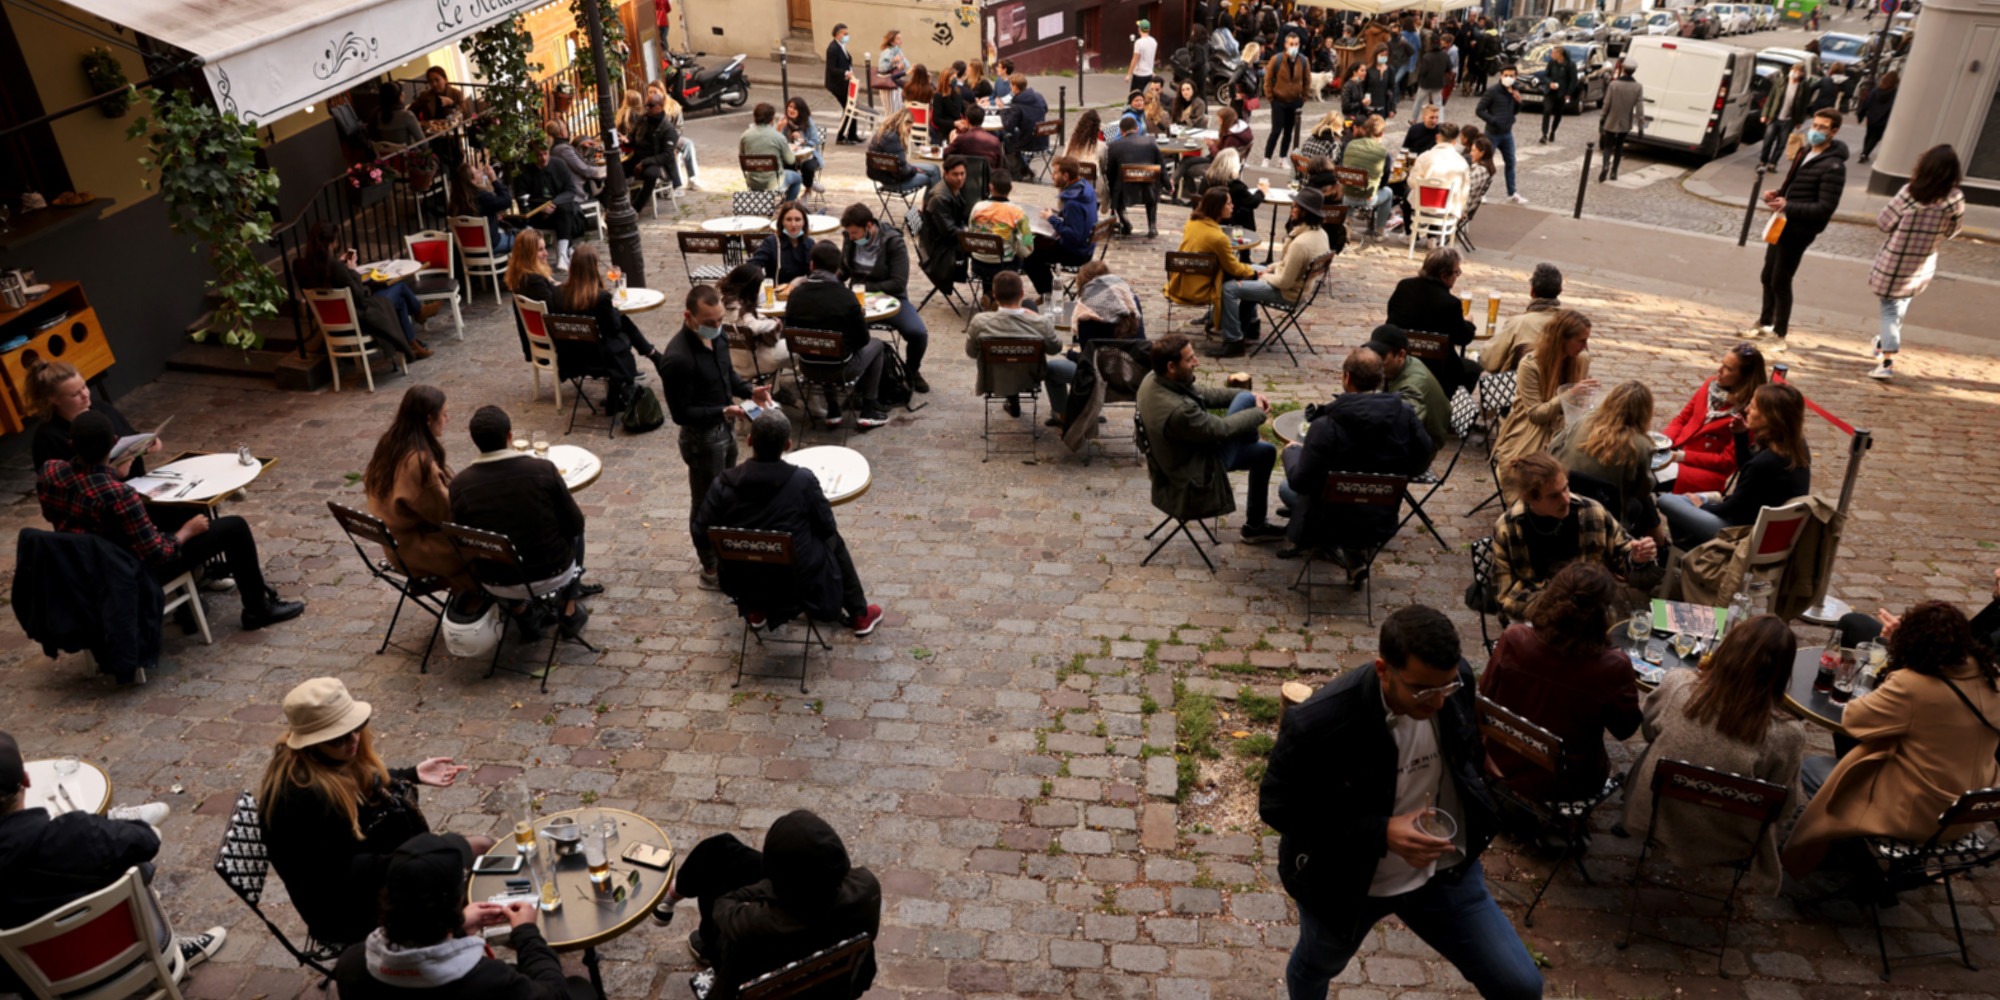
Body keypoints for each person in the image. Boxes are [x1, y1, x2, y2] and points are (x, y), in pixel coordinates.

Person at [1261, 605, 1543, 1000]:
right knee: (1316, 966)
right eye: (1422, 690)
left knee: (1521, 985)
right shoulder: (1320, 722)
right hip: (1350, 884)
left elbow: (1462, 745)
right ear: (1383, 669)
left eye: (1445, 689)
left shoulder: (1454, 681)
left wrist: (1478, 770)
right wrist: (1380, 832)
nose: (1438, 703)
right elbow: (1278, 806)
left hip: (1443, 873)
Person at [258, 677, 488, 946]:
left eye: (355, 728)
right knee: (469, 856)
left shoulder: (321, 759)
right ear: (311, 741)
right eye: (339, 738)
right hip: (346, 909)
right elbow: (346, 873)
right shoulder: (303, 798)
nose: (353, 740)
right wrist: (431, 856)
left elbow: (357, 781)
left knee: (474, 852)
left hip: (368, 875)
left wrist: (410, 774)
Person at [1782, 601, 2000, 882]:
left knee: (1814, 769)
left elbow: (1853, 720)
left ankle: (1849, 855)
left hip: (1921, 814)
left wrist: (1898, 654)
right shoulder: (1991, 676)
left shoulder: (1913, 685)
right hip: (1968, 812)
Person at [0, 731, 223, 995]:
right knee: (133, 870)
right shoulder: (73, 833)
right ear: (26, 780)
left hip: (31, 984)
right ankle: (167, 950)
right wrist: (94, 824)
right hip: (122, 954)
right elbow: (147, 840)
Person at [38, 411, 306, 630]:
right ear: (114, 442)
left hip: (81, 564)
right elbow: (159, 553)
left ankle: (190, 607)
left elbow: (56, 511)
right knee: (234, 528)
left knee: (177, 508)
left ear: (71, 444)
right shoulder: (120, 495)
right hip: (128, 571)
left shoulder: (50, 472)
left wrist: (113, 473)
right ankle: (258, 610)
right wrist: (187, 532)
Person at [1621, 616, 1805, 893]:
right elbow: (1782, 807)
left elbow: (1648, 731)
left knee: (1658, 747)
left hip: (1657, 815)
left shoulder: (1678, 686)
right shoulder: (1787, 733)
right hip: (1730, 838)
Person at [652, 809, 880, 1000]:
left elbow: (723, 904)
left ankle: (702, 937)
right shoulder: (866, 889)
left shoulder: (754, 926)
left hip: (755, 968)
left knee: (719, 868)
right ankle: (679, 890)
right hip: (830, 979)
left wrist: (771, 881)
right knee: (724, 851)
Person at [331, 833, 591, 1000]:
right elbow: (554, 995)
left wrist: (454, 928)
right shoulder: (488, 981)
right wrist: (527, 933)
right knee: (579, 987)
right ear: (456, 901)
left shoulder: (352, 964)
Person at [1478, 563, 1642, 802]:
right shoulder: (1612, 666)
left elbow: (1485, 693)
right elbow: (1625, 729)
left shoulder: (1514, 638)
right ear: (1603, 613)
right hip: (1567, 781)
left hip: (1504, 756)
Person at [656, 285, 773, 592]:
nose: (717, 326)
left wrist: (749, 391)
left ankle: (726, 553)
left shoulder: (718, 337)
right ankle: (709, 565)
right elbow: (681, 413)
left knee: (728, 495)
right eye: (710, 321)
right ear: (689, 317)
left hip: (726, 428)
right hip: (702, 439)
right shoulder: (677, 358)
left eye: (720, 319)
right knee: (705, 502)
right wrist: (724, 410)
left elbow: (728, 376)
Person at [1277, 346, 1432, 564]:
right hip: (1379, 519)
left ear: (1347, 377)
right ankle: (1355, 554)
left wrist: (1291, 452)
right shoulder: (1404, 413)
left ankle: (1328, 546)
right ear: (1379, 380)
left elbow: (1300, 482)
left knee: (1287, 489)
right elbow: (1423, 454)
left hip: (1327, 523)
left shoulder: (1325, 425)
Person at [449, 405, 595, 635]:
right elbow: (576, 524)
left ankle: (522, 614)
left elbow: (466, 541)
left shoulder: (460, 485)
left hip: (495, 581)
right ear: (509, 436)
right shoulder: (542, 469)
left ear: (474, 441)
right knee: (576, 530)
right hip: (551, 571)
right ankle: (569, 612)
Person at [1136, 335, 1286, 543]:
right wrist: (1258, 413)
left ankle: (1255, 527)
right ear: (1171, 366)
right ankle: (1249, 436)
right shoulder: (1179, 411)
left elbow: (1204, 394)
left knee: (1266, 453)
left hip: (1177, 459)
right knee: (1245, 401)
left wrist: (1251, 397)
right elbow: (1222, 429)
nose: (1196, 363)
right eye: (1190, 359)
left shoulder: (1154, 379)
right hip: (1195, 473)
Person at [1491, 453, 1656, 620]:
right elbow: (1505, 596)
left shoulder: (1592, 512)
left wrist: (1636, 556)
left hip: (1589, 609)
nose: (1566, 499)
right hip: (1537, 614)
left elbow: (1622, 553)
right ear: (1530, 498)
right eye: (1554, 496)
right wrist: (1559, 607)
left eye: (1566, 488)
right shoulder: (1509, 527)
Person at [1658, 382, 1811, 551]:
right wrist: (1741, 436)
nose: (1746, 411)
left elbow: (1733, 509)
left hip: (1741, 535)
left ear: (1769, 417)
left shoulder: (1765, 463)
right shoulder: (1796, 447)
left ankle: (1690, 551)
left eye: (1753, 408)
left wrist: (1701, 505)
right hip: (1767, 532)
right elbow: (1748, 470)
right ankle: (1688, 549)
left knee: (1667, 501)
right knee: (1692, 499)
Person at [1749, 109, 1847, 353]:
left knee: (1781, 280)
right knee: (1767, 275)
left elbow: (1825, 207)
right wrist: (1778, 195)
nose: (1816, 130)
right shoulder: (1805, 151)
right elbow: (1793, 185)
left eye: (1823, 127)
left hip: (1800, 229)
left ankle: (1780, 334)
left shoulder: (1834, 166)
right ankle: (1764, 323)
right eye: (1815, 125)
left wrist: (1789, 205)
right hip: (1782, 223)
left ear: (1834, 131)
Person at [1868, 144, 1965, 380]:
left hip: (1894, 263)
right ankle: (1882, 340)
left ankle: (1887, 361)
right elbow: (1953, 230)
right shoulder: (1954, 198)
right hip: (1922, 264)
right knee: (1899, 307)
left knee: (1891, 310)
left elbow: (1884, 222)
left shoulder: (1910, 193)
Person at [364, 386, 472, 593]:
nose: (447, 419)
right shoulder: (420, 465)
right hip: (418, 551)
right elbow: (447, 515)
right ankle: (481, 603)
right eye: (444, 414)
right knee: (488, 548)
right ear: (429, 419)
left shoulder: (390, 443)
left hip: (395, 545)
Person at [1214, 187, 1331, 358]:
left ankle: (1233, 341)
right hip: (1300, 288)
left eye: (1295, 207)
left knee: (1229, 288)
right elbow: (1289, 265)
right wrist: (1271, 267)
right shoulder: (1321, 234)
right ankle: (1251, 327)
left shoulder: (1301, 244)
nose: (1292, 210)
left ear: (1305, 212)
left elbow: (1285, 282)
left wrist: (1264, 276)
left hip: (1288, 293)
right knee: (1248, 268)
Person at [1492, 309, 1595, 502]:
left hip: (1565, 429)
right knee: (1556, 469)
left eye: (1586, 340)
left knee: (1595, 464)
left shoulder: (1581, 359)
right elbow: (1536, 415)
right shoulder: (1530, 365)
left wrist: (1586, 401)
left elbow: (1577, 409)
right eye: (1581, 341)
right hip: (1529, 432)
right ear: (1561, 339)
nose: (1585, 346)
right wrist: (1569, 394)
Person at [788, 243, 892, 429]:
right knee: (877, 345)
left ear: (812, 265)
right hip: (842, 369)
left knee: (824, 347)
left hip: (807, 366)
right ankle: (869, 407)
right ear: (837, 269)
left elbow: (789, 334)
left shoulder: (795, 295)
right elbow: (863, 340)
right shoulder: (846, 297)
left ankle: (833, 408)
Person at [295, 221, 425, 360]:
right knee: (399, 287)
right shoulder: (336, 267)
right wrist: (352, 270)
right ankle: (419, 313)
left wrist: (341, 265)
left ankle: (412, 343)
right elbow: (359, 296)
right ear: (332, 243)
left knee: (399, 301)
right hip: (358, 319)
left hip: (331, 321)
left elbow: (325, 279)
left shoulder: (300, 265)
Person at [1551, 380, 1663, 541]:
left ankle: (1657, 542)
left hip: (1568, 495)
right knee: (1642, 503)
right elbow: (1642, 490)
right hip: (1606, 512)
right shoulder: (1641, 444)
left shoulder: (1585, 419)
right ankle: (1655, 544)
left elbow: (1553, 449)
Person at [555, 244, 660, 410]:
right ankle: (652, 354)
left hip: (572, 356)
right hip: (600, 358)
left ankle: (651, 354)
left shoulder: (559, 293)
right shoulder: (601, 298)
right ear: (593, 268)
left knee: (620, 320)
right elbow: (614, 328)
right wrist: (615, 310)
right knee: (622, 324)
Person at [838, 203, 930, 392]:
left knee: (918, 333)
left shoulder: (892, 241)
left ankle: (911, 371)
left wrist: (864, 288)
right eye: (849, 233)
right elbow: (844, 269)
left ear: (869, 226)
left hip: (891, 298)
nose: (852, 237)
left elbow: (898, 283)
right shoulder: (849, 238)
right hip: (857, 300)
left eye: (855, 233)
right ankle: (855, 372)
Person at [966, 270, 1077, 421]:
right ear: (1022, 293)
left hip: (994, 378)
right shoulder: (1040, 323)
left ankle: (1012, 400)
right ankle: (1063, 413)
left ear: (994, 295)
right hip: (1030, 378)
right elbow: (1055, 348)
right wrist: (1038, 318)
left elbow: (971, 353)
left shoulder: (979, 322)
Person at [27, 360, 162, 483]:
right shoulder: (48, 438)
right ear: (54, 399)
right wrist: (111, 474)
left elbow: (129, 436)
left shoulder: (102, 409)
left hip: (137, 485)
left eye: (84, 387)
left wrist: (147, 443)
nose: (85, 395)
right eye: (75, 394)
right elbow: (62, 485)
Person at [1662, 344, 1767, 496]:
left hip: (1704, 472)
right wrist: (1664, 443)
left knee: (1643, 476)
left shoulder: (1748, 412)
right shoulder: (1711, 385)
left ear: (1744, 378)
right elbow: (1682, 419)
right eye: (1722, 364)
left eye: (1728, 369)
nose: (1719, 370)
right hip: (1677, 452)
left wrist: (1680, 456)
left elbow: (1726, 461)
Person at [1384, 247, 1478, 395]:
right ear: (1444, 275)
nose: (1457, 276)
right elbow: (1463, 337)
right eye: (1456, 273)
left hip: (1400, 358)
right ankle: (1450, 406)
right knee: (1473, 369)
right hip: (1436, 369)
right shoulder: (1449, 303)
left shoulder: (1404, 286)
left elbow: (1391, 315)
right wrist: (1469, 323)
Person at [1171, 189, 1261, 337]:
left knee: (1250, 272)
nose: (1233, 206)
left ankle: (1245, 322)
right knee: (1253, 279)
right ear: (1218, 207)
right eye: (1229, 203)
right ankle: (1242, 328)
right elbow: (1234, 268)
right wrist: (1254, 273)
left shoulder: (1192, 223)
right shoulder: (1218, 238)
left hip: (1182, 279)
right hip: (1202, 285)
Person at [1367, 325, 1449, 462]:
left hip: (1417, 454)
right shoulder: (1397, 366)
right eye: (1373, 354)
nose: (1375, 361)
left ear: (1400, 355)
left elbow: (1400, 427)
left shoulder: (1413, 385)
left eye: (1381, 356)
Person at [1023, 157, 1099, 302]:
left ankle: (1048, 293)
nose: (1052, 176)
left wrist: (1052, 220)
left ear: (1066, 176)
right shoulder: (1086, 188)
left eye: (1056, 173)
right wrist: (1058, 215)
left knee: (1030, 256)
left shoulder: (1072, 203)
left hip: (1076, 253)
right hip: (1087, 248)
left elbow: (1074, 235)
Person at [966, 170, 1035, 302]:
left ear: (991, 187)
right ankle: (999, 298)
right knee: (1018, 255)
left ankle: (988, 294)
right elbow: (1028, 245)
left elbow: (971, 232)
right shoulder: (1017, 212)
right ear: (1011, 188)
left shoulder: (978, 207)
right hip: (1004, 266)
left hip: (978, 263)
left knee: (989, 253)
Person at [716, 264, 791, 384]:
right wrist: (772, 323)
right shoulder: (740, 310)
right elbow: (752, 327)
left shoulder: (722, 301)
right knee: (795, 348)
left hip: (732, 359)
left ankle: (773, 388)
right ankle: (773, 388)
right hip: (753, 361)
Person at [1482, 263, 1561, 374]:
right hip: (1560, 387)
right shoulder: (1572, 323)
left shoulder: (1518, 323)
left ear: (1532, 292)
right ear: (1560, 290)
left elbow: (1489, 361)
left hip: (1518, 387)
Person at [918, 157, 973, 296]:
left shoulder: (953, 189)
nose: (960, 178)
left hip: (944, 241)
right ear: (945, 174)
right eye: (955, 174)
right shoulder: (940, 198)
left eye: (962, 174)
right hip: (938, 251)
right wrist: (971, 236)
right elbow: (949, 232)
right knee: (984, 252)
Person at [1106, 115, 1166, 237]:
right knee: (1152, 187)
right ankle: (1152, 227)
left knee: (1115, 186)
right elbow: (1161, 165)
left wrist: (1111, 188)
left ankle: (1126, 223)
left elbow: (1110, 172)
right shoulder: (1151, 142)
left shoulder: (1114, 146)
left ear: (1121, 132)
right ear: (1137, 129)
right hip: (1148, 185)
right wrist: (1168, 185)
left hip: (1124, 187)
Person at [1476, 64, 1525, 203]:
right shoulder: (1492, 91)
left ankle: (1512, 192)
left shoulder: (1514, 91)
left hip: (1507, 133)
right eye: (1506, 75)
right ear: (1501, 76)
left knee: (1511, 162)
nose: (1508, 78)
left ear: (1516, 77)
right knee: (1487, 164)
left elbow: (1514, 111)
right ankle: (1481, 193)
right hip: (1492, 133)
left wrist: (1519, 102)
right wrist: (1493, 120)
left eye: (1512, 76)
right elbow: (1479, 110)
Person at [623, 92, 682, 204]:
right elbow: (632, 136)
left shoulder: (667, 128)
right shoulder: (643, 119)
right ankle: (610, 204)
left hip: (656, 162)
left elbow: (666, 155)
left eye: (650, 105)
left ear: (659, 106)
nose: (647, 108)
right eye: (646, 105)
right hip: (637, 158)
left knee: (651, 175)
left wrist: (645, 162)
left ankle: (636, 207)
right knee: (616, 171)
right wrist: (626, 141)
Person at [866, 108, 941, 196]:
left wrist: (913, 169)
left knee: (934, 168)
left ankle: (929, 206)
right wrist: (915, 170)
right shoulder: (892, 138)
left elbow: (901, 165)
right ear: (905, 123)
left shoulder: (885, 132)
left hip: (889, 175)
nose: (911, 130)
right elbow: (903, 172)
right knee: (930, 177)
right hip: (893, 181)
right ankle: (932, 207)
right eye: (910, 126)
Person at [1340, 115, 1394, 236]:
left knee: (1351, 184)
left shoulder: (1350, 145)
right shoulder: (1384, 154)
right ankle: (1380, 230)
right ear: (1381, 134)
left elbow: (1345, 166)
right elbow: (1384, 182)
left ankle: (1347, 221)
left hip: (1346, 196)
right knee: (1389, 193)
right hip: (1368, 199)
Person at [1264, 31, 1311, 166]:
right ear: (1285, 44)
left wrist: (1303, 99)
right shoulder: (1276, 59)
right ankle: (1267, 157)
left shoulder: (1303, 61)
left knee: (1289, 132)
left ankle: (1283, 157)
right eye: (1291, 44)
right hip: (1278, 101)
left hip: (1294, 102)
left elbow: (1307, 81)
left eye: (1296, 44)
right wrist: (1271, 98)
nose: (1294, 47)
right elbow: (1267, 80)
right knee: (1276, 131)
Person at [1759, 63, 1817, 169]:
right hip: (1774, 116)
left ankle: (1773, 163)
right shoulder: (1781, 82)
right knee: (1768, 140)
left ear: (1802, 74)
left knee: (1781, 143)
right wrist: (1765, 114)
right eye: (1793, 70)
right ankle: (1763, 161)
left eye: (1797, 71)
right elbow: (1771, 98)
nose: (1794, 73)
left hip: (1789, 119)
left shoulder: (1804, 87)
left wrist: (1799, 121)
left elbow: (1804, 104)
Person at [1072, 260, 1145, 344]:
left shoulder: (1085, 310)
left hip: (1101, 355)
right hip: (1135, 355)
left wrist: (1071, 354)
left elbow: (1086, 353)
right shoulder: (1130, 299)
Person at [740, 103, 802, 202]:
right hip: (774, 181)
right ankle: (787, 206)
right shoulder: (778, 137)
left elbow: (742, 157)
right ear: (772, 119)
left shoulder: (745, 135)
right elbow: (790, 160)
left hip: (753, 182)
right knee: (798, 178)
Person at [750, 201, 817, 289]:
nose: (793, 224)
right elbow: (753, 266)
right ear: (782, 222)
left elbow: (817, 273)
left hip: (802, 294)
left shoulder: (810, 243)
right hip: (776, 294)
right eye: (789, 219)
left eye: (797, 219)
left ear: (804, 222)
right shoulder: (771, 243)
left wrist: (801, 280)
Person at [1597, 63, 1644, 183]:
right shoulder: (1637, 87)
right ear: (1634, 71)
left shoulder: (1614, 84)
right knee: (1619, 146)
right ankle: (1614, 172)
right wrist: (1640, 126)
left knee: (1608, 146)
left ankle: (1605, 166)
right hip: (1625, 121)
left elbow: (1606, 103)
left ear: (1623, 70)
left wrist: (1602, 118)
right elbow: (1640, 108)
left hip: (1611, 119)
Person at [999, 74, 1049, 180]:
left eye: (1011, 86)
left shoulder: (1017, 105)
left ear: (1015, 87)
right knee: (1015, 135)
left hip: (1029, 142)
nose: (1010, 88)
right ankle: (1025, 169)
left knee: (1007, 139)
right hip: (1043, 139)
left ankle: (1018, 172)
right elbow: (1045, 109)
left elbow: (1008, 126)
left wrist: (1003, 110)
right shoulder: (1038, 96)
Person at [941, 104, 1006, 173]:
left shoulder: (962, 139)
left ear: (967, 120)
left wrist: (952, 141)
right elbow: (999, 166)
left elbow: (945, 155)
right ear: (983, 120)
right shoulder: (995, 141)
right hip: (988, 179)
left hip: (965, 178)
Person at [824, 23, 859, 144]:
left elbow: (847, 61)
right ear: (838, 34)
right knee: (848, 108)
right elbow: (831, 68)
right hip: (837, 85)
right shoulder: (833, 48)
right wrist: (845, 73)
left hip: (845, 83)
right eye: (845, 34)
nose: (847, 36)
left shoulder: (841, 46)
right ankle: (841, 137)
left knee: (851, 108)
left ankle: (852, 134)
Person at [782, 97, 825, 195]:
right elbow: (778, 140)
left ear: (801, 111)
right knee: (787, 165)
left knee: (808, 167)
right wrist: (780, 128)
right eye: (790, 107)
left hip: (807, 155)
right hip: (790, 154)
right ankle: (791, 195)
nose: (791, 110)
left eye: (795, 108)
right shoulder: (784, 120)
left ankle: (808, 189)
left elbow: (814, 141)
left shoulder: (808, 121)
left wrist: (803, 141)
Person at [1538, 44, 1579, 144]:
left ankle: (1553, 131)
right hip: (1550, 92)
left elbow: (1573, 80)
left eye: (1553, 53)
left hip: (1562, 93)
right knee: (1547, 110)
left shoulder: (1570, 65)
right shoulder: (1552, 63)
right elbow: (1546, 75)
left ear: (1560, 55)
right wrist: (1549, 83)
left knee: (1558, 113)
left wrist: (1568, 93)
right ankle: (1544, 134)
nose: (1551, 54)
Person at [1855, 70, 1897, 164]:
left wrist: (1861, 115)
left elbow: (1867, 103)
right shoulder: (1895, 93)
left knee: (1868, 135)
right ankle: (1865, 153)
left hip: (1871, 117)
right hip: (1884, 119)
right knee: (1875, 137)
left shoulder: (1876, 90)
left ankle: (1864, 152)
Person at [1416, 39, 1451, 110]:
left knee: (1419, 101)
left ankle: (1414, 119)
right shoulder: (1445, 55)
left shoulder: (1427, 56)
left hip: (1426, 82)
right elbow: (1449, 68)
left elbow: (1423, 71)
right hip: (1439, 81)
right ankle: (1440, 119)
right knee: (1438, 102)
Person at [1128, 18, 1160, 95]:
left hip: (1139, 74)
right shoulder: (1154, 41)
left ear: (1139, 29)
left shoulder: (1138, 42)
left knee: (1134, 95)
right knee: (1144, 94)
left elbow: (1135, 59)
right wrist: (1151, 71)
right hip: (1149, 73)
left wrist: (1129, 74)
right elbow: (1151, 57)